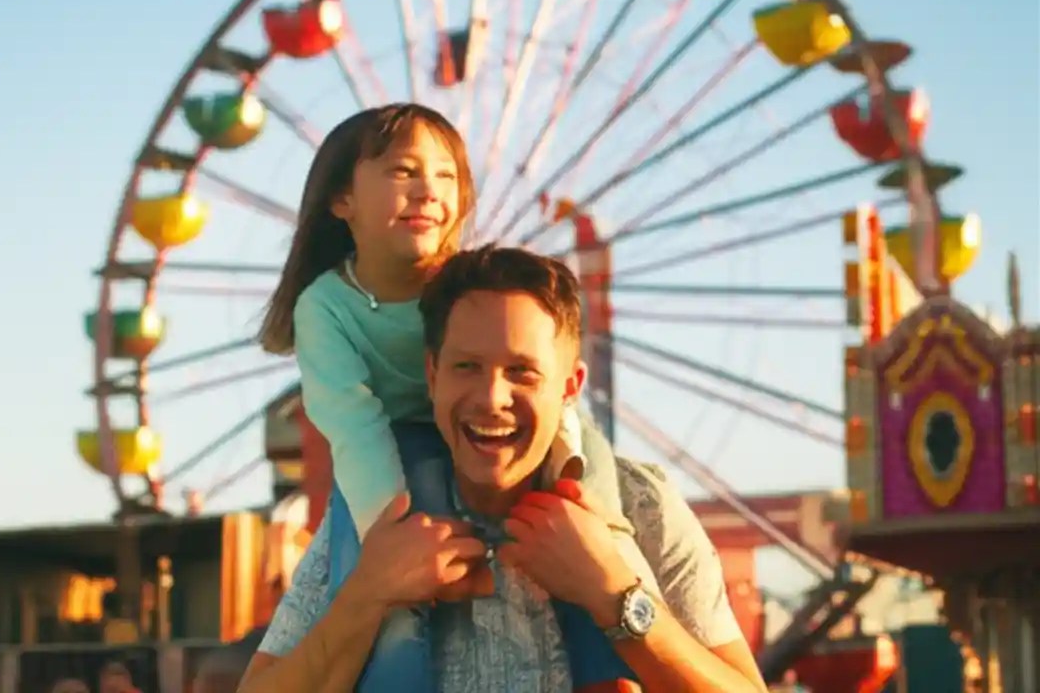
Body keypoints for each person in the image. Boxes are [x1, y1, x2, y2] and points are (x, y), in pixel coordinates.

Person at [241, 245, 767, 692]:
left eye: (522, 373)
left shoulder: (639, 506)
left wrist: (616, 596)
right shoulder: (374, 513)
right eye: (467, 367)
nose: (492, 399)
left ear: (569, 387)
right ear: (431, 374)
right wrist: (369, 592)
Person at [256, 104, 628, 688]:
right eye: (404, 172)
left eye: (447, 176)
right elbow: (354, 427)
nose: (429, 189)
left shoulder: (468, 288)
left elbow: (552, 391)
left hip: (490, 445)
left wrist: (571, 488)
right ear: (341, 201)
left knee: (598, 500)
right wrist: (392, 541)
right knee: (391, 551)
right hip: (400, 445)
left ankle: (607, 670)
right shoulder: (324, 309)